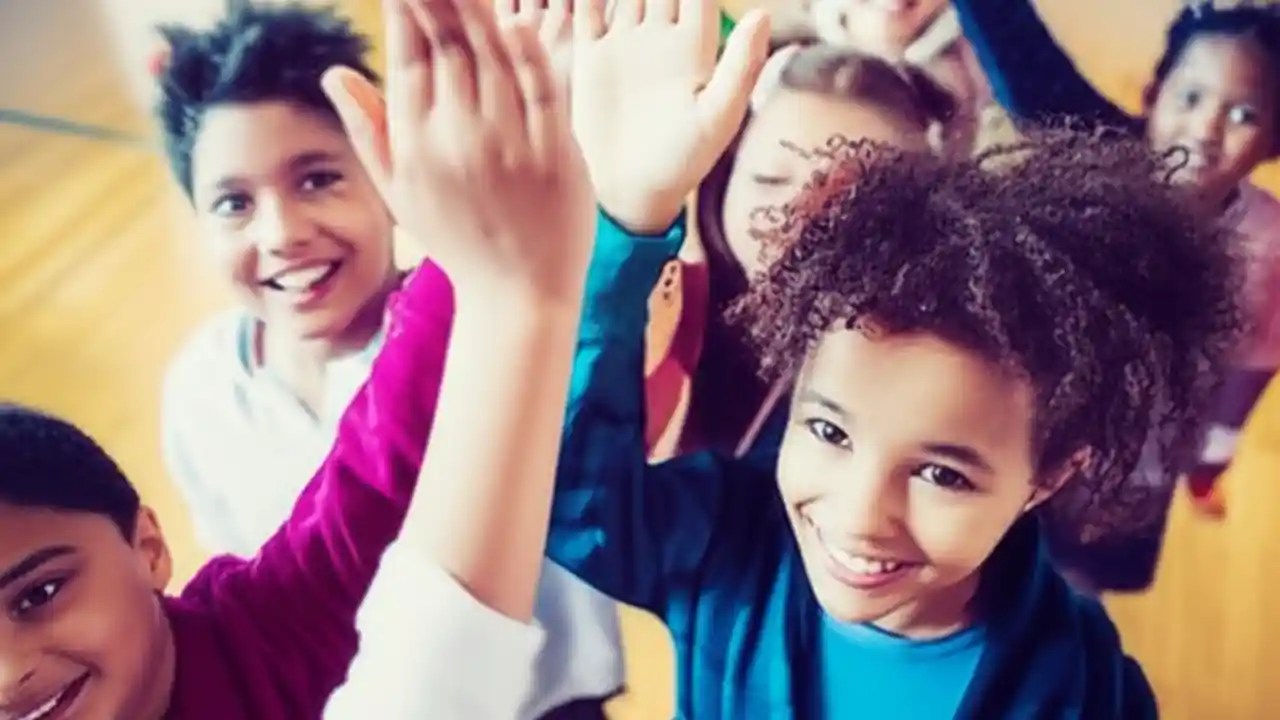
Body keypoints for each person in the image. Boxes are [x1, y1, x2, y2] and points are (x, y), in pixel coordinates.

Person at [550, 18, 1240, 707]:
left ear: (1049, 476)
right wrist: (631, 221)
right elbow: (574, 505)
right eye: (829, 433)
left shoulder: (1083, 690)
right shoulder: (729, 540)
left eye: (942, 474)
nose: (858, 516)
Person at [155, 3, 625, 715]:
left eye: (317, 179)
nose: (281, 232)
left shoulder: (486, 328)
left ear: (387, 176)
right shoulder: (199, 392)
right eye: (233, 203)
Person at [952, 0, 1280, 520]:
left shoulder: (1267, 242)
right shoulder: (1093, 150)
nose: (1206, 129)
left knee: (1077, 571)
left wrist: (1208, 467)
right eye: (1191, 96)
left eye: (1244, 114)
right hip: (1011, 417)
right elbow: (1015, 44)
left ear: (1273, 141)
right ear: (1154, 95)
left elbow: (1250, 370)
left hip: (1130, 461)